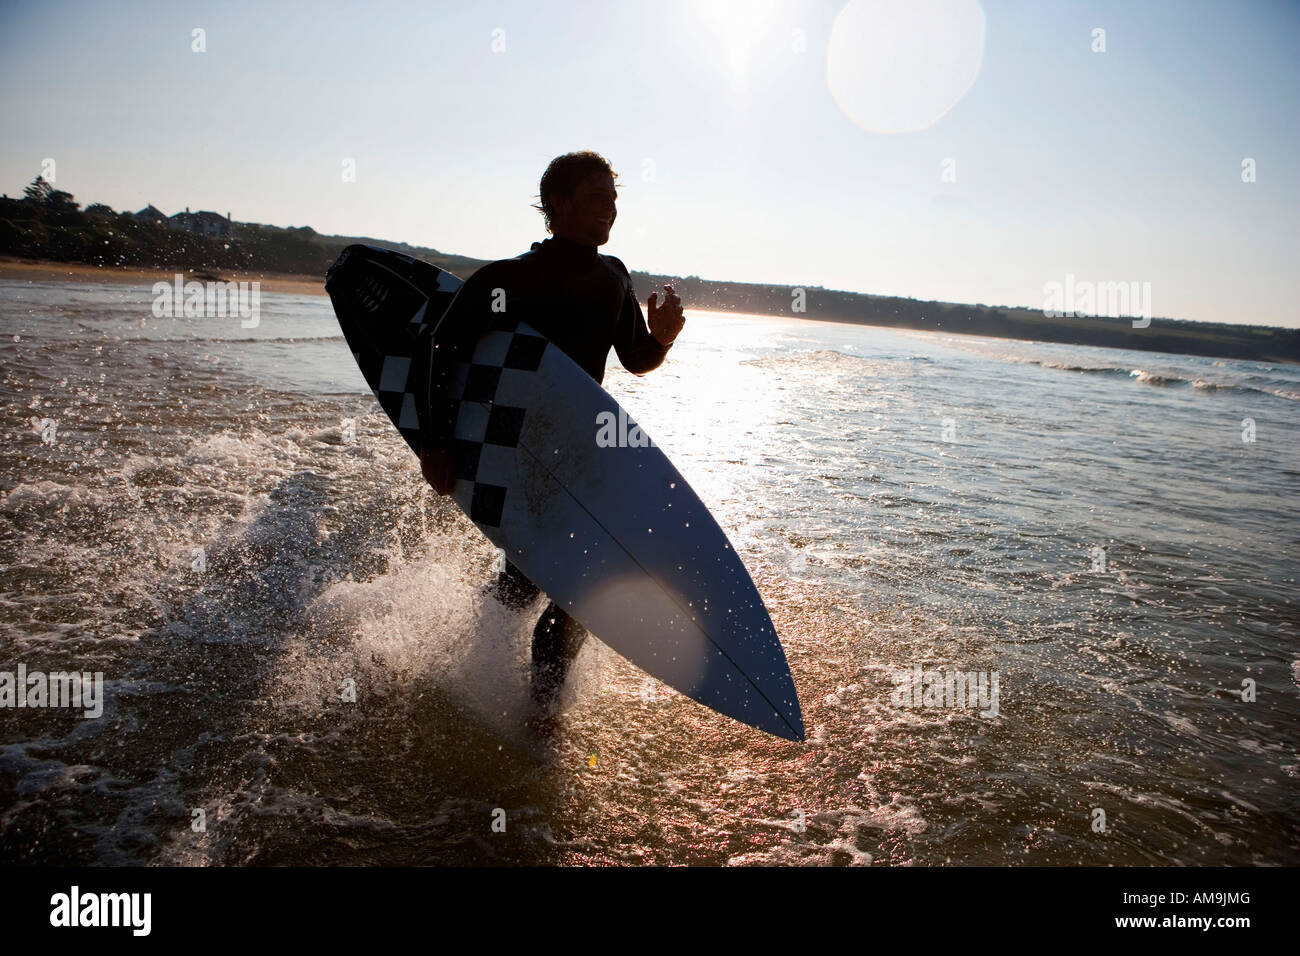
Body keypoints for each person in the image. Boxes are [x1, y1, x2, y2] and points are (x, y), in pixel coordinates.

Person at [414, 151, 685, 709]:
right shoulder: (512, 279)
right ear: (556, 205)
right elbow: (443, 349)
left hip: (583, 461)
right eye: (596, 197)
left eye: (614, 198)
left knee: (550, 589)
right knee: (559, 590)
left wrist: (660, 339)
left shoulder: (613, 279)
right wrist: (435, 444)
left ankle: (488, 682)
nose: (609, 209)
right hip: (525, 458)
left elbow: (633, 357)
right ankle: (534, 718)